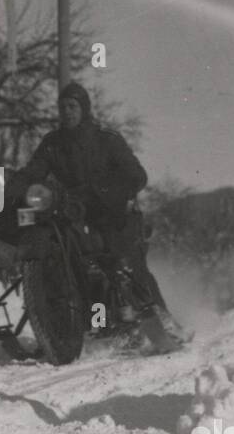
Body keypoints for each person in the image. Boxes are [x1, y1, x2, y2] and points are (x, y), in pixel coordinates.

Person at [13, 81, 169, 324]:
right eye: (63, 106)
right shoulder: (53, 143)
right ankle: (71, 319)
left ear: (84, 109)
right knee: (63, 256)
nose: (67, 112)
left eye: (73, 106)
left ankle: (161, 318)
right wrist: (11, 186)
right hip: (76, 214)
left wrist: (101, 192)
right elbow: (34, 171)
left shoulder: (107, 140)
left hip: (114, 215)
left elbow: (137, 176)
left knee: (126, 263)